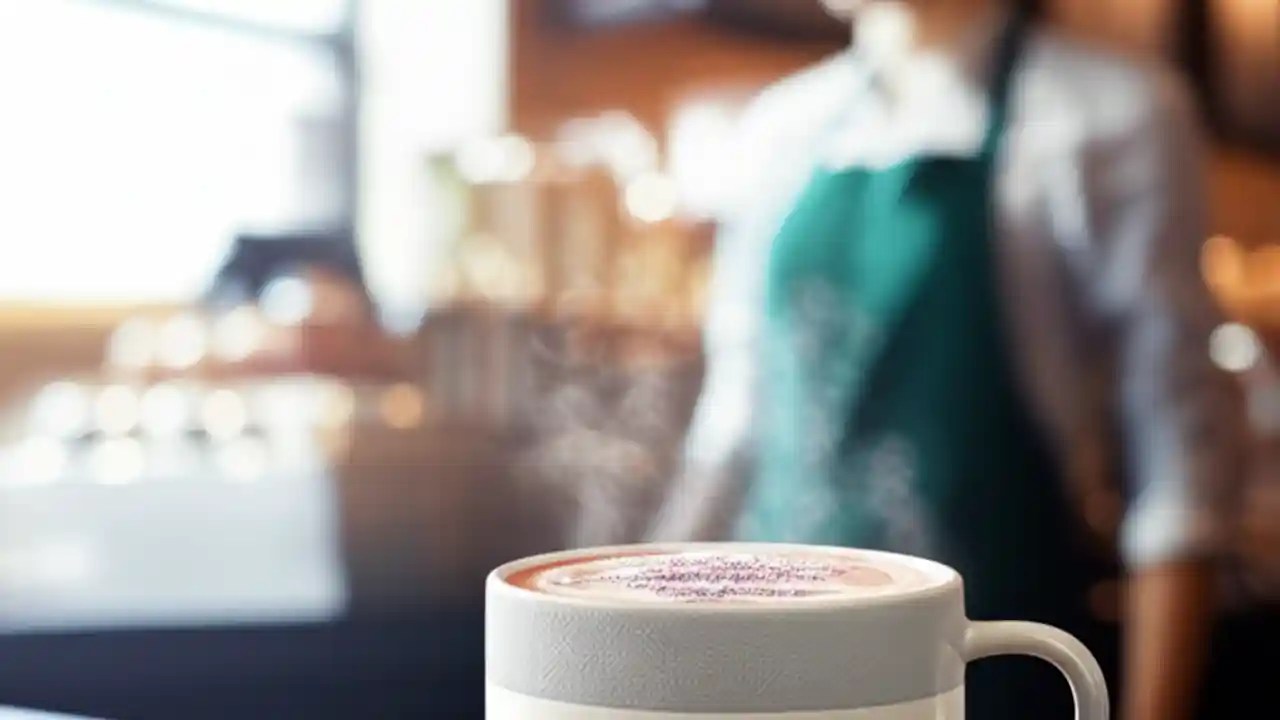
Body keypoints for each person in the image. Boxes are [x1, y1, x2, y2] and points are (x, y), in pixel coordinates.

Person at [646, 1, 1245, 718]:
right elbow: (733, 430)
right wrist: (639, 633)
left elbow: (1178, 471)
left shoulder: (1111, 117)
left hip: (988, 665)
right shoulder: (782, 128)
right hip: (772, 668)